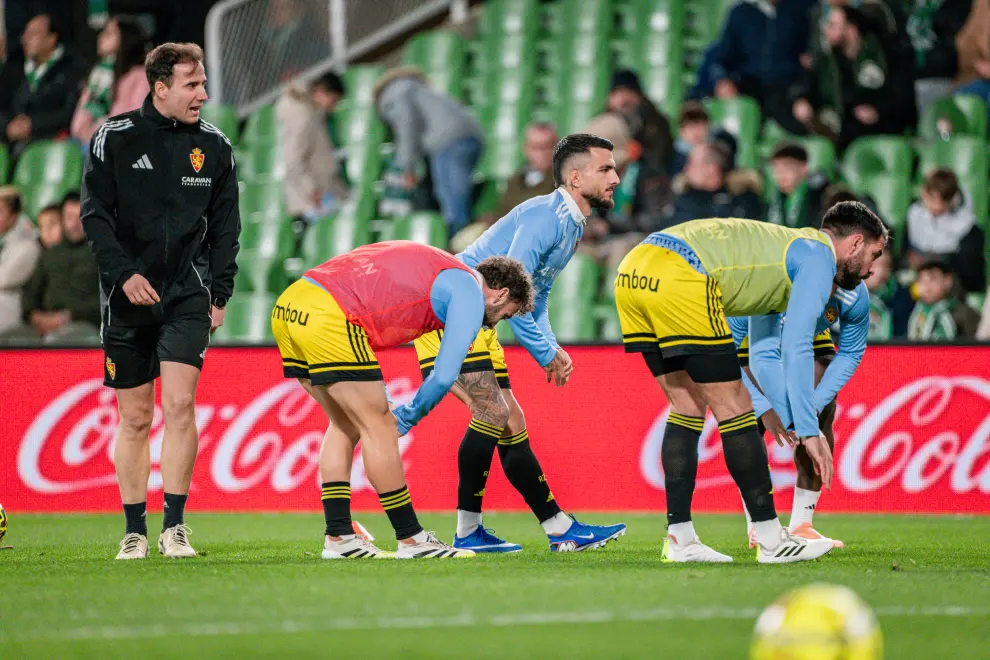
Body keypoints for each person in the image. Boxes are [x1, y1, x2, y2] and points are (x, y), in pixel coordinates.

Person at [614, 202, 887, 563]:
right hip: (684, 272)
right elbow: (797, 346)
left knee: (687, 406)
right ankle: (773, 540)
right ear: (854, 244)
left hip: (636, 267)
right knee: (737, 407)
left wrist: (796, 418)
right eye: (874, 254)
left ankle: (680, 537)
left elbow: (762, 354)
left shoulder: (784, 259)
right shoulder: (820, 259)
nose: (872, 268)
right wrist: (808, 430)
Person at [413, 134, 628, 553]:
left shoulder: (570, 223)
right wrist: (545, 352)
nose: (616, 178)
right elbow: (514, 285)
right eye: (605, 169)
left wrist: (552, 346)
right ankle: (481, 532)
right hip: (455, 317)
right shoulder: (547, 217)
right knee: (495, 414)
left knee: (510, 421)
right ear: (574, 176)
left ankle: (553, 529)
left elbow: (534, 296)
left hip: (483, 323)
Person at [272, 241, 534, 559]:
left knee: (345, 423)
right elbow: (442, 374)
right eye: (504, 315)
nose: (494, 323)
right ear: (501, 293)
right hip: (329, 315)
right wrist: (409, 415)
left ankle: (340, 536)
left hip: (292, 303)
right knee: (379, 425)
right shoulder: (467, 290)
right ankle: (412, 540)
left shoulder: (439, 267)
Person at [81, 43, 240, 560]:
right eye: (192, 85)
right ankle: (134, 529)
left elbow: (225, 228)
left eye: (204, 83)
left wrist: (219, 294)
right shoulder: (115, 137)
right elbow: (94, 217)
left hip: (186, 294)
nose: (203, 95)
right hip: (127, 298)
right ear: (161, 87)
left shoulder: (215, 147)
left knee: (180, 406)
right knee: (134, 417)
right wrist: (122, 275)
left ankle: (175, 526)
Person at [730, 277, 871, 548]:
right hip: (753, 337)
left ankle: (802, 524)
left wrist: (810, 410)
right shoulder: (760, 288)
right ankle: (759, 524)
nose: (872, 269)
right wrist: (764, 407)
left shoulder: (850, 293)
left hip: (805, 340)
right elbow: (724, 359)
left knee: (824, 407)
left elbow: (849, 354)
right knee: (747, 417)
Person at [374, 66, 484, 235]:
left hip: (448, 142)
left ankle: (460, 249)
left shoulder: (392, 95)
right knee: (455, 197)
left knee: (451, 200)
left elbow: (407, 126)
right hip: (471, 135)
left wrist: (406, 167)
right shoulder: (415, 88)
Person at [791, 5, 914, 147]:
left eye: (833, 25)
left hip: (881, 131)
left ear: (851, 29)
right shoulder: (827, 61)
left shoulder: (886, 56)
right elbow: (806, 84)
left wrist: (878, 111)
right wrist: (801, 99)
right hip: (840, 133)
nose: (826, 30)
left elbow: (902, 98)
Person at [13, 192, 101, 344]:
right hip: (43, 324)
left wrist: (69, 316)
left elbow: (107, 301)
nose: (73, 224)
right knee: (11, 339)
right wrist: (34, 315)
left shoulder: (102, 254)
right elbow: (30, 292)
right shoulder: (50, 254)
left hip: (83, 324)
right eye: (69, 218)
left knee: (55, 341)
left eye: (79, 218)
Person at [276, 70, 349, 236]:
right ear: (322, 92)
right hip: (314, 201)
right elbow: (293, 160)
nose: (334, 106)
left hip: (316, 196)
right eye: (334, 99)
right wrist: (311, 190)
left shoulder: (311, 113)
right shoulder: (303, 116)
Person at [1, 13, 82, 154]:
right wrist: (8, 125)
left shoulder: (70, 71)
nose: (25, 39)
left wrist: (33, 125)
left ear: (51, 39)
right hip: (10, 141)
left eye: (33, 34)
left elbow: (69, 112)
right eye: (25, 33)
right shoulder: (13, 68)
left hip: (48, 144)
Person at [904, 168, 986, 294]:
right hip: (918, 277)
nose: (935, 205)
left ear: (951, 200)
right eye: (931, 198)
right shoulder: (915, 214)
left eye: (941, 201)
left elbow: (970, 274)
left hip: (951, 283)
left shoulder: (968, 229)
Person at [70, 16, 150, 144]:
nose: (101, 37)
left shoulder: (141, 76)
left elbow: (134, 119)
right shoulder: (97, 74)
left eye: (108, 33)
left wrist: (95, 131)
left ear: (125, 39)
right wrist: (81, 131)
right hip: (86, 140)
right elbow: (82, 110)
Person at [662, 141, 763, 227]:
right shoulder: (682, 199)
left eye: (692, 164)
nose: (686, 169)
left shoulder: (743, 199)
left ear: (712, 168)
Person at [908, 260, 981, 340]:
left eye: (932, 279)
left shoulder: (965, 313)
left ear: (947, 281)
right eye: (921, 280)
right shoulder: (915, 311)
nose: (926, 286)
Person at [0, 186, 40, 334]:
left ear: (13, 216)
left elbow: (4, 279)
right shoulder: (5, 240)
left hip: (10, 313)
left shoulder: (28, 245)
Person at [765, 142, 829, 229]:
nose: (781, 175)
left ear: (803, 168)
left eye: (787, 168)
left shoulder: (822, 196)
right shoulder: (776, 198)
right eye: (777, 170)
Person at [863, 248, 913, 339]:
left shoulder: (900, 298)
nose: (881, 271)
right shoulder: (841, 297)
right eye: (874, 264)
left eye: (887, 266)